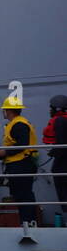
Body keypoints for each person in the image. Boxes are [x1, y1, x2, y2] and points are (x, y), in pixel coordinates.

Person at [0, 96, 39, 225]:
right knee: (21, 194)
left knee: (23, 194)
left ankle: (28, 222)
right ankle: (26, 221)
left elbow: (22, 144)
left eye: (4, 110)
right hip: (18, 164)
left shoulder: (19, 124)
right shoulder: (17, 123)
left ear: (8, 110)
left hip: (21, 164)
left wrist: (5, 152)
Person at [45, 95, 67, 223]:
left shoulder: (59, 121)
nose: (49, 110)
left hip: (63, 164)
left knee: (64, 191)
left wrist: (53, 152)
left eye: (51, 108)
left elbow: (61, 143)